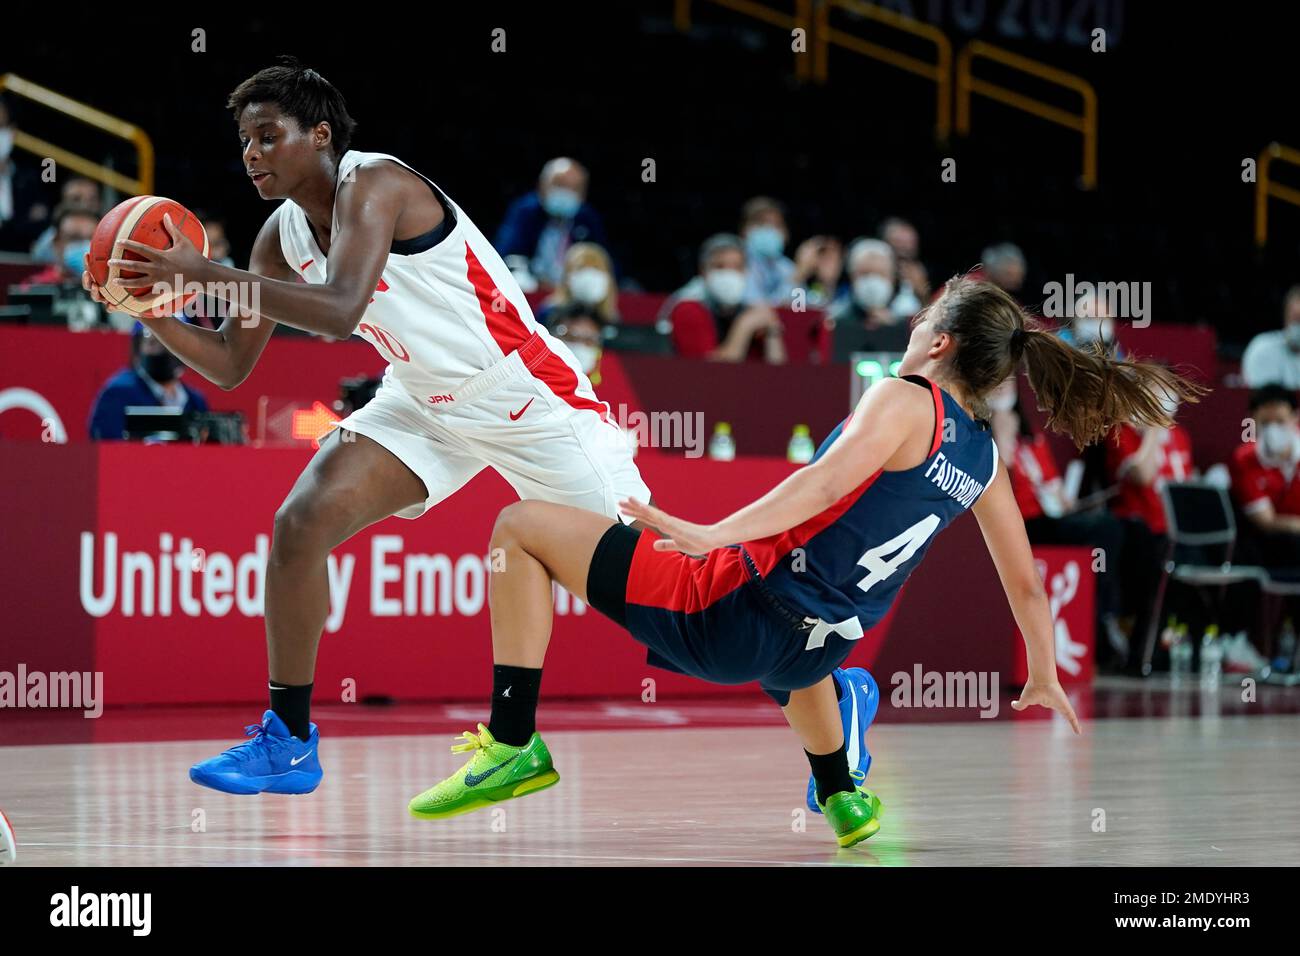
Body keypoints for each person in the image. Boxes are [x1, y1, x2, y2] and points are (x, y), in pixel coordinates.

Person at [406, 276, 1203, 846]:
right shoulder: (985, 457)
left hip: (726, 612)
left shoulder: (902, 398)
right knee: (805, 655)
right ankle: (842, 796)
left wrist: (713, 534)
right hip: (818, 642)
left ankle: (513, 745)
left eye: (923, 315)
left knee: (518, 528)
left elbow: (820, 480)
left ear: (939, 340)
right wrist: (1042, 673)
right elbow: (1026, 582)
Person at [80, 58, 650, 796]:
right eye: (243, 142)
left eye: (266, 137)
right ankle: (287, 740)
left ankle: (819, 682)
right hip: (423, 399)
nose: (251, 155)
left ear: (319, 134)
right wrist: (152, 309)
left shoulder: (376, 183)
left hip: (525, 395)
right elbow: (227, 365)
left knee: (659, 591)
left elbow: (344, 306)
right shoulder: (278, 238)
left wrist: (204, 273)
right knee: (300, 522)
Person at [666, 233, 787, 363]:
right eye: (720, 266)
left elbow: (778, 373)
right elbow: (708, 374)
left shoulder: (749, 310)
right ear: (703, 272)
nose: (729, 274)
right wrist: (743, 326)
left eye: (737, 267)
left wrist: (771, 331)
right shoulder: (688, 309)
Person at [493, 157, 611, 288]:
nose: (567, 193)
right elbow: (506, 252)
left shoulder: (587, 219)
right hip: (532, 287)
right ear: (542, 185)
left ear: (583, 194)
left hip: (569, 293)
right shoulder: (525, 211)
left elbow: (603, 261)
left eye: (575, 188)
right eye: (560, 185)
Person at [88, 324, 210, 440]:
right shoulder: (118, 393)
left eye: (173, 344)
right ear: (138, 348)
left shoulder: (196, 401)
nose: (164, 350)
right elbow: (108, 447)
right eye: (154, 342)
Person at [829, 237, 919, 359]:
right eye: (865, 273)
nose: (872, 282)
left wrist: (893, 327)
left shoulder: (911, 318)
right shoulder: (835, 318)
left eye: (880, 274)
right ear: (851, 276)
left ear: (893, 278)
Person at [536, 241, 619, 327]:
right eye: (582, 267)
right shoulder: (548, 315)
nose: (589, 274)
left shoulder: (611, 320)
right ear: (567, 277)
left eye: (595, 268)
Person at [1242, 286, 1300, 389]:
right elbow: (1265, 399)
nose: (1297, 327)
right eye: (1296, 320)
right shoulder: (1263, 348)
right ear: (1286, 315)